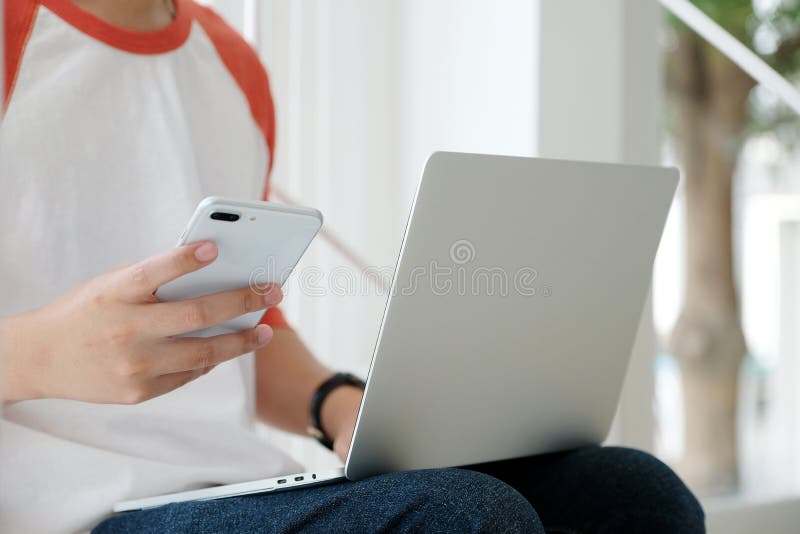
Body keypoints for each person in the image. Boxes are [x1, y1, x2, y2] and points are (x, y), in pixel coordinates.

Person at [0, 1, 705, 532]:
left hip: (227, 484)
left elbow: (237, 319)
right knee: (461, 517)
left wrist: (340, 405)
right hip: (72, 507)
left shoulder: (231, 65)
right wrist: (38, 354)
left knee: (633, 493)